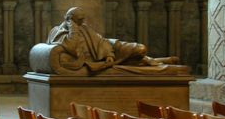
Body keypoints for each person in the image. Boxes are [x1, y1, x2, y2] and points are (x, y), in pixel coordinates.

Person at [46, 7, 180, 73]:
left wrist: (109, 54)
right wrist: (72, 28)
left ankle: (153, 60)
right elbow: (71, 47)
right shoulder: (58, 32)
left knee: (140, 49)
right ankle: (156, 60)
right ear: (69, 19)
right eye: (79, 20)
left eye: (82, 19)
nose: (82, 22)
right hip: (96, 60)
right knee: (131, 60)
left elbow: (100, 40)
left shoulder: (84, 28)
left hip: (108, 48)